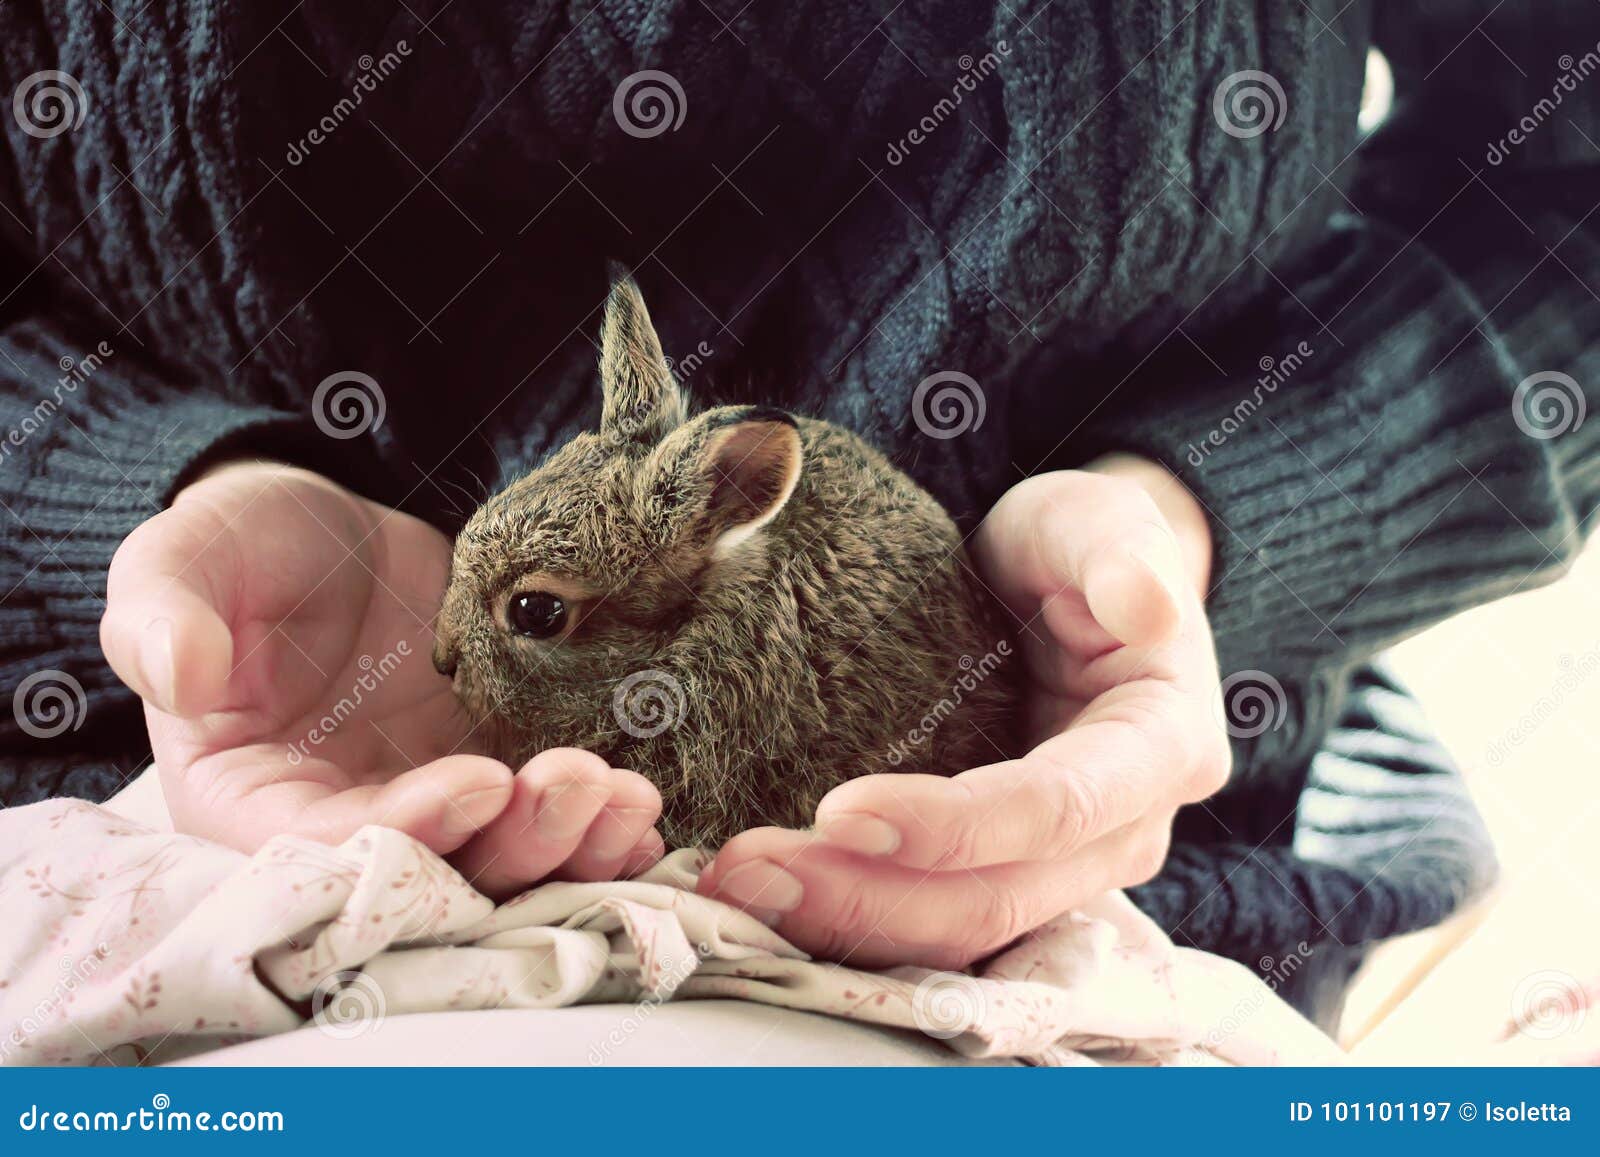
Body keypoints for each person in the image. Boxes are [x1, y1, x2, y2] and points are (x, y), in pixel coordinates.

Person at [1, 2, 1593, 1035]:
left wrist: (1206, 511)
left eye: (537, 615)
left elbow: (1562, 198)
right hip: (149, 810)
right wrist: (146, 496)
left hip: (1110, 881)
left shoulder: (737, 598)